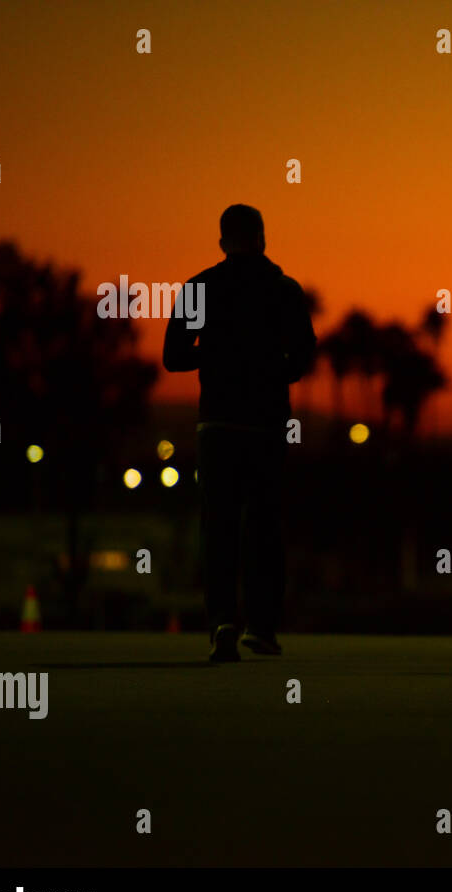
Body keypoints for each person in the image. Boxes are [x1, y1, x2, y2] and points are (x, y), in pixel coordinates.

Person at [163, 204, 316, 661]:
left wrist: (213, 358)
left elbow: (173, 357)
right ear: (263, 238)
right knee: (265, 525)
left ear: (222, 241)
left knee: (219, 527)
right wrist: (272, 371)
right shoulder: (284, 290)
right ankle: (262, 626)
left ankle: (222, 623)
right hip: (267, 425)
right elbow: (304, 357)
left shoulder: (200, 288)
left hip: (217, 425)